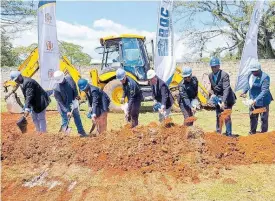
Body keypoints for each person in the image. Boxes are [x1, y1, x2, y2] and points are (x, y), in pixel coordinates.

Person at [240, 60, 273, 134]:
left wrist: (255, 100)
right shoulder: (250, 75)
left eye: (255, 71)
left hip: (263, 101)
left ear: (259, 69)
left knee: (263, 119)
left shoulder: (265, 77)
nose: (253, 72)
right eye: (252, 71)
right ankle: (252, 132)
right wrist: (244, 92)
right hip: (252, 100)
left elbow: (264, 91)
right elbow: (248, 84)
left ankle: (263, 134)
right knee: (253, 116)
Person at [53, 71, 87, 137]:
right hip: (63, 106)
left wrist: (76, 97)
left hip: (73, 102)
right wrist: (67, 111)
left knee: (77, 118)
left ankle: (81, 132)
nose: (61, 82)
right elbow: (60, 102)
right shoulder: (56, 88)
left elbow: (75, 88)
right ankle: (64, 135)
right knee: (65, 120)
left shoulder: (69, 79)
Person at [208, 57, 236, 136]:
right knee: (218, 115)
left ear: (219, 66)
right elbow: (213, 88)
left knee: (226, 115)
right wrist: (212, 95)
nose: (213, 68)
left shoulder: (224, 75)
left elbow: (226, 89)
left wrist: (223, 101)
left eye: (215, 66)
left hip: (227, 98)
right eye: (212, 67)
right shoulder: (210, 75)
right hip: (218, 97)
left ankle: (229, 134)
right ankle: (218, 133)